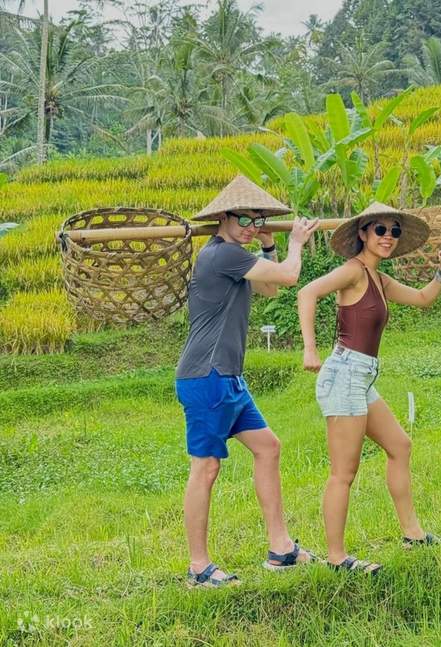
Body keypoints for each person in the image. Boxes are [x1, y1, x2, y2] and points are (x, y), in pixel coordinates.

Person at [296, 202, 441, 575]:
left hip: (362, 376)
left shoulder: (379, 279)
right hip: (344, 373)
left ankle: (413, 534)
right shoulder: (352, 271)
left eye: (394, 231)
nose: (388, 236)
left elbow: (421, 299)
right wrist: (309, 347)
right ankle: (336, 558)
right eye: (380, 230)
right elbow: (307, 293)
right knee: (344, 472)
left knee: (400, 445)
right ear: (363, 234)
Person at [177, 175, 321, 588]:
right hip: (206, 377)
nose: (250, 228)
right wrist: (294, 243)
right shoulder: (221, 255)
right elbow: (290, 278)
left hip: (229, 379)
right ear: (224, 216)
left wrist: (271, 246)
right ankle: (199, 568)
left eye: (257, 222)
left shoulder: (237, 255)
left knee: (268, 447)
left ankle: (281, 549)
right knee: (206, 468)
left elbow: (270, 288)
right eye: (243, 219)